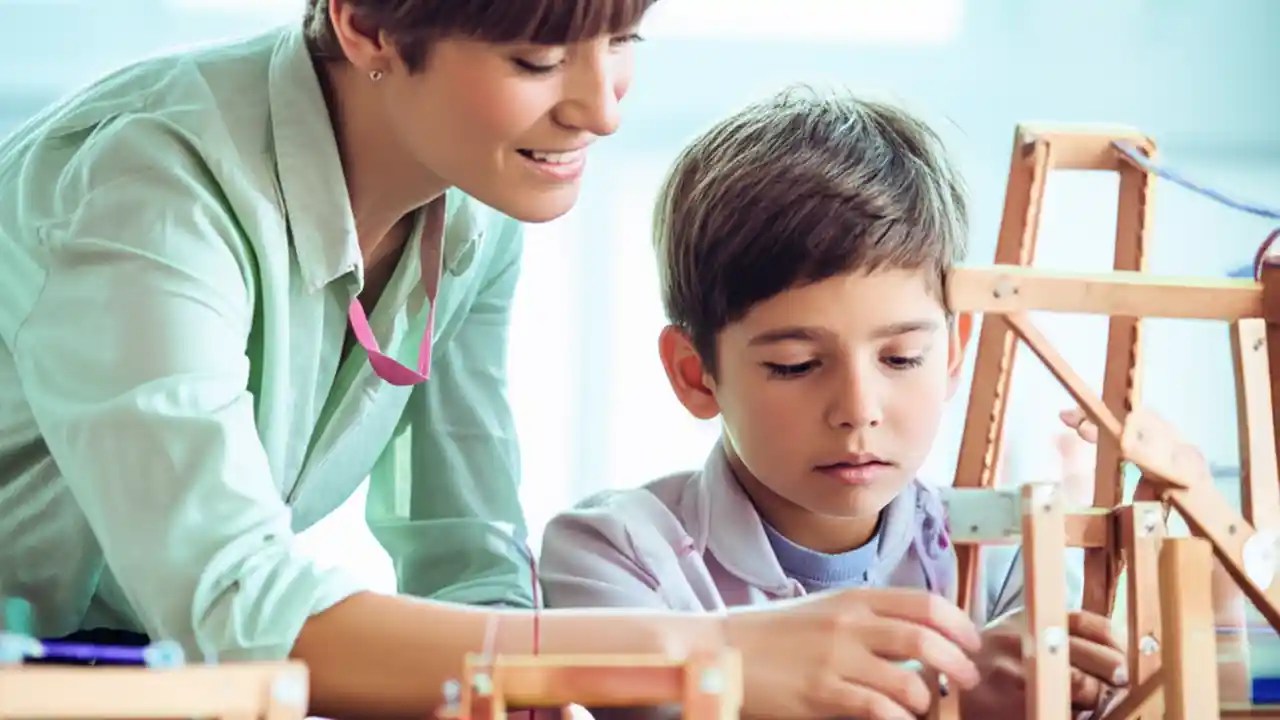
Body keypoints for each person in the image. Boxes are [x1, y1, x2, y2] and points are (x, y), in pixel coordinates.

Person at [0, 2, 988, 718]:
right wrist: (709, 654)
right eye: (534, 58)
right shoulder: (151, 189)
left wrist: (541, 693)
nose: (600, 109)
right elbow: (238, 599)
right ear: (367, 26)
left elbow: (461, 555)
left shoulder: (466, 203)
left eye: (622, 39)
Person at [539, 87, 1127, 719]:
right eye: (795, 365)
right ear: (695, 374)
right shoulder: (613, 556)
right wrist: (946, 691)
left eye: (901, 358)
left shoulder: (1011, 559)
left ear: (954, 352)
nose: (858, 409)